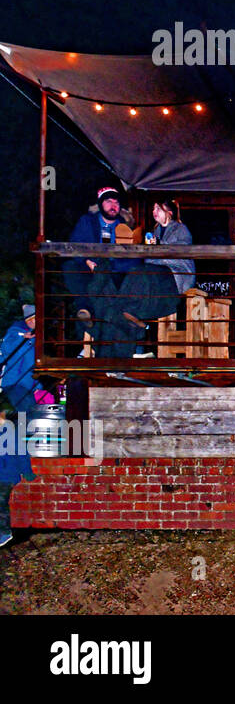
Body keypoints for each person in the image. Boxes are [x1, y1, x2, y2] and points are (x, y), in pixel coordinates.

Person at [1, 305, 55, 548]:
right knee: (21, 421)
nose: (36, 324)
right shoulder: (17, 332)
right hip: (16, 385)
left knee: (33, 416)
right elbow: (9, 347)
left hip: (29, 385)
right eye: (34, 320)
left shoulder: (36, 339)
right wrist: (25, 339)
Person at [65, 186, 128, 324]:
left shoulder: (125, 227)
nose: (113, 206)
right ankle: (85, 310)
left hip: (114, 270)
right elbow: (75, 244)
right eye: (109, 202)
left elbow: (130, 256)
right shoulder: (87, 221)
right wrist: (87, 260)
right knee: (70, 267)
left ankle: (113, 315)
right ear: (100, 204)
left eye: (116, 203)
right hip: (89, 268)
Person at [145, 200, 195, 293]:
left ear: (169, 213)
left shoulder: (180, 229)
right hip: (158, 272)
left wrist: (161, 244)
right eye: (153, 209)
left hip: (177, 272)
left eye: (158, 209)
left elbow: (184, 247)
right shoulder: (155, 232)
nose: (154, 211)